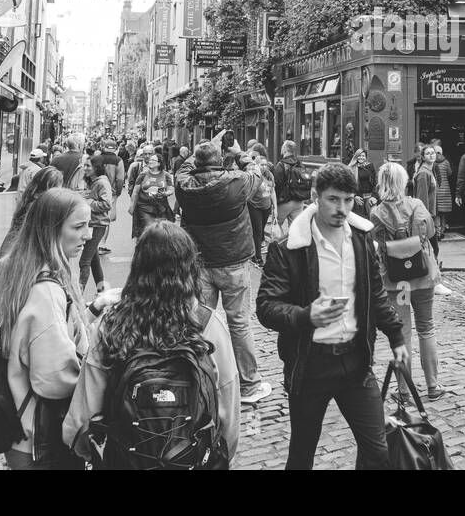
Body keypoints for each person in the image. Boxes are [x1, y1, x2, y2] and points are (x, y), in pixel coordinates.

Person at [256, 162, 407, 470]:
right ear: (315, 196)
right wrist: (305, 316)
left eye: (348, 200)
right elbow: (266, 306)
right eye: (333, 199)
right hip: (310, 365)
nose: (342, 208)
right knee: (302, 453)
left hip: (356, 362)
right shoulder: (289, 248)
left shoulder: (362, 239)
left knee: (377, 451)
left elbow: (375, 294)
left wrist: (396, 336)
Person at [63, 222, 240, 466]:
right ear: (190, 267)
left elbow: (82, 415)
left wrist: (91, 452)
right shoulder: (209, 325)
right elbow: (228, 408)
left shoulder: (111, 324)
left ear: (138, 266)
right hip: (191, 458)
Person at [0, 188, 98, 469]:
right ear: (51, 229)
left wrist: (89, 312)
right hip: (38, 436)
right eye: (79, 226)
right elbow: (54, 378)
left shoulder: (21, 269)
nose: (88, 234)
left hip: (17, 425)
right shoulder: (46, 291)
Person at [175, 140, 272, 405]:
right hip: (233, 262)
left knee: (198, 323)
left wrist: (208, 146)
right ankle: (249, 384)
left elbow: (184, 167)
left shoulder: (184, 184)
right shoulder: (236, 182)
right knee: (239, 324)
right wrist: (239, 152)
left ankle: (194, 380)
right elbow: (256, 172)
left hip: (200, 263)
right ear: (220, 160)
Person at [369, 163, 445, 399]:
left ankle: (404, 391)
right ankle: (433, 386)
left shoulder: (377, 213)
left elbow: (375, 241)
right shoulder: (416, 205)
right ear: (403, 182)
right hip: (422, 275)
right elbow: (431, 233)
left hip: (396, 281)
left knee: (402, 334)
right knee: (427, 328)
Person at [2, 167, 65, 263]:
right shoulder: (41, 206)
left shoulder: (29, 200)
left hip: (15, 253)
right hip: (26, 258)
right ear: (50, 188)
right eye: (58, 189)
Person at [80, 155, 113, 293]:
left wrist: (88, 202)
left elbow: (106, 204)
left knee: (84, 262)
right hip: (92, 223)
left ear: (96, 168)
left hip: (97, 225)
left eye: (88, 166)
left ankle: (78, 296)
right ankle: (102, 291)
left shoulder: (102, 183)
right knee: (94, 261)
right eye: (85, 165)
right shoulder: (94, 181)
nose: (85, 168)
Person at [130, 148, 175, 239]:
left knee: (161, 231)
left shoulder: (166, 175)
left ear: (159, 163)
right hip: (144, 206)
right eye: (150, 160)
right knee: (149, 229)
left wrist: (165, 193)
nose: (150, 161)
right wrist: (132, 206)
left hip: (161, 207)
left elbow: (171, 189)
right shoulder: (143, 174)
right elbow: (135, 191)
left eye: (153, 160)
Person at [273, 141, 311, 237]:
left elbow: (276, 184)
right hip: (299, 202)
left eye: (282, 147)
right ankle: (293, 247)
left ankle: (280, 246)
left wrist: (275, 203)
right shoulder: (300, 164)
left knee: (275, 225)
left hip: (285, 202)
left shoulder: (281, 165)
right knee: (295, 229)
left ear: (285, 149)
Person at [247, 144, 277, 266]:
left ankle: (253, 252)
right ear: (257, 165)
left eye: (265, 164)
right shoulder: (253, 176)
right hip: (254, 206)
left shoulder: (270, 175)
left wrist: (275, 207)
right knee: (258, 232)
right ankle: (257, 258)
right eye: (261, 165)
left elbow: (273, 191)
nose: (264, 167)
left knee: (260, 232)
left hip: (266, 207)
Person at [412, 145, 440, 255]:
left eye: (433, 153)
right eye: (428, 153)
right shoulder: (424, 173)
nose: (431, 155)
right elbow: (421, 199)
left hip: (430, 214)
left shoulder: (429, 170)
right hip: (426, 216)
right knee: (433, 248)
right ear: (423, 157)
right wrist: (425, 218)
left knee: (432, 248)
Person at [429, 139, 455, 233]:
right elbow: (450, 173)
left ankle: (437, 230)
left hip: (436, 188)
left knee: (436, 212)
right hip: (445, 189)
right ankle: (443, 228)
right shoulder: (446, 162)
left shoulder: (432, 162)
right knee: (444, 212)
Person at [348, 147, 378, 218]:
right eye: (359, 156)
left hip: (370, 197)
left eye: (363, 156)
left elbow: (375, 183)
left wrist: (374, 196)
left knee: (372, 219)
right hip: (358, 198)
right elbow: (348, 185)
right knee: (360, 220)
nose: (361, 157)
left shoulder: (370, 166)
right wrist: (354, 196)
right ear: (356, 157)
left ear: (366, 157)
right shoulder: (351, 168)